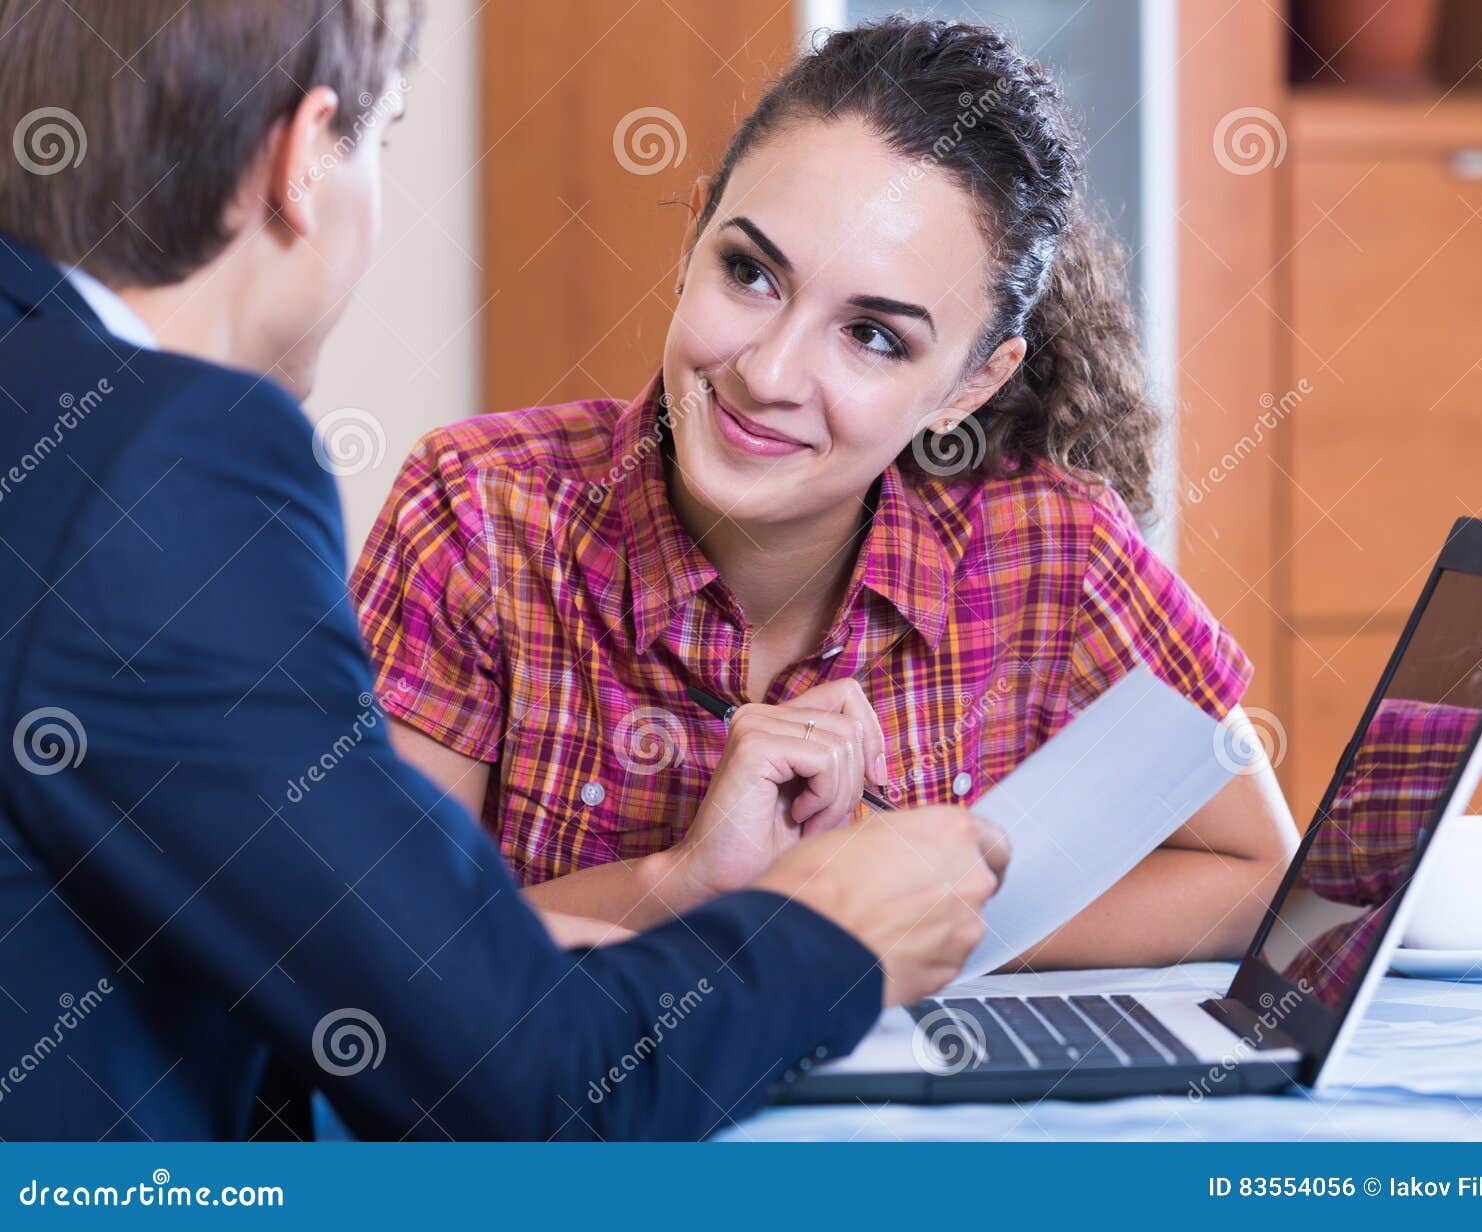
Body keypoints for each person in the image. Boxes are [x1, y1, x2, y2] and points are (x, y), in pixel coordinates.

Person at [0, 0, 1007, 1141]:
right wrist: (830, 926)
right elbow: (524, 1090)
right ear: (302, 156)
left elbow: (359, 974)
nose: (775, 372)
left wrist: (618, 925)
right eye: (382, 140)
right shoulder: (164, 464)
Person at [354, 17, 1298, 963]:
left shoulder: (1056, 547)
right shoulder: (478, 509)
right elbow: (368, 937)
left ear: (972, 384)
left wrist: (899, 917)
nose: (769, 372)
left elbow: (1263, 876)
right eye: (751, 273)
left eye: (874, 336)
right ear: (692, 240)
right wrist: (698, 889)